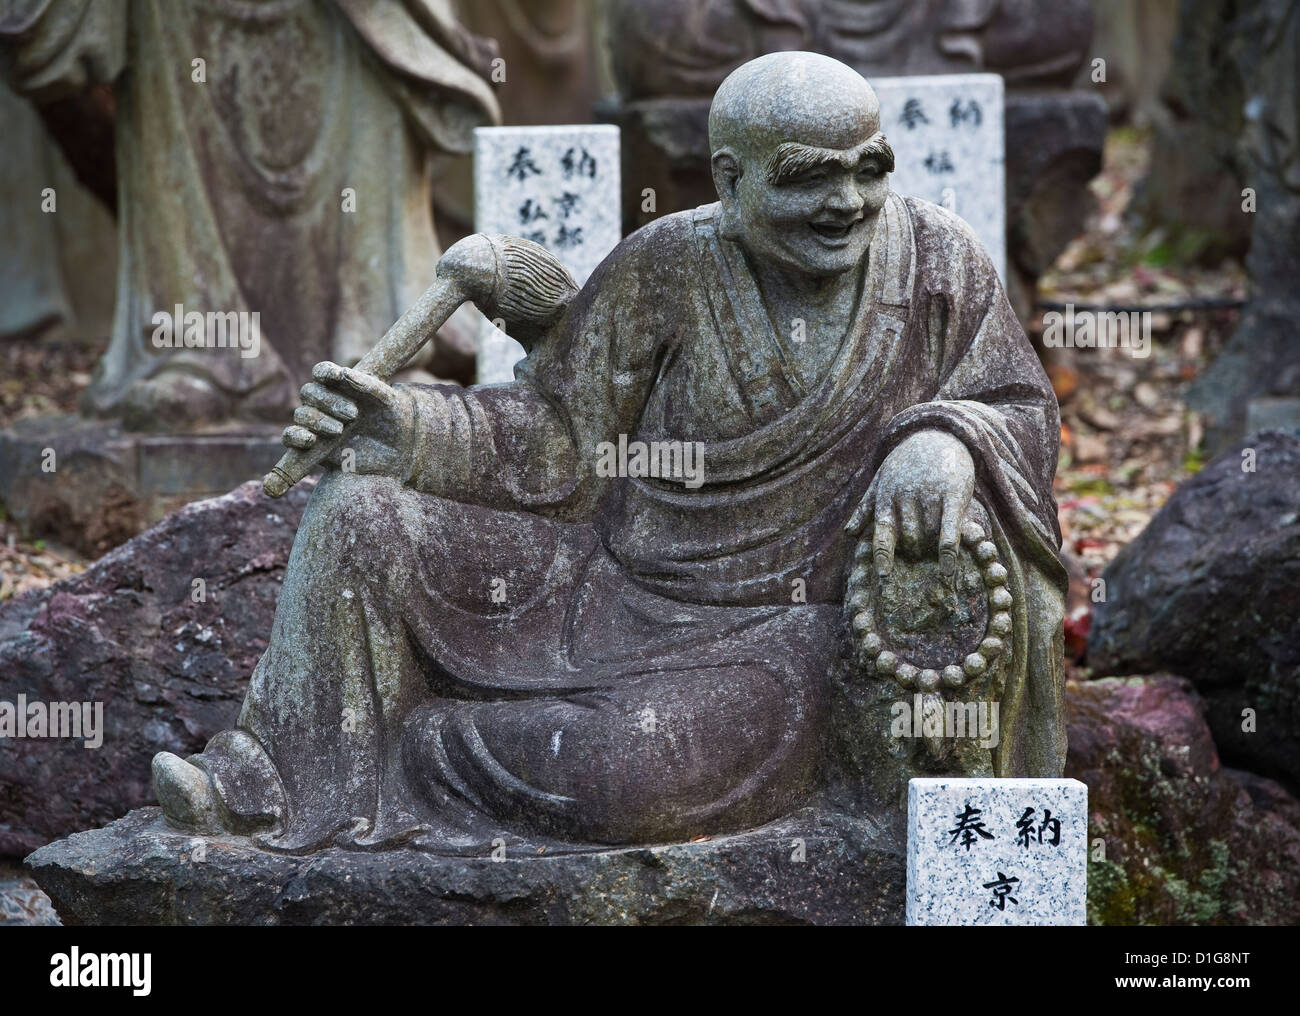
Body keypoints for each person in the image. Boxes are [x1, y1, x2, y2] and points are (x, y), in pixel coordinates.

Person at [153, 51, 1067, 854]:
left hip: (778, 635)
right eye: (805, 180)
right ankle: (285, 779)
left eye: (869, 171)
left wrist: (947, 435)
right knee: (359, 514)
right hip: (606, 585)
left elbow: (1019, 406)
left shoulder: (941, 266)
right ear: (730, 179)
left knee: (622, 772)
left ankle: (417, 750)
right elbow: (558, 440)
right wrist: (412, 429)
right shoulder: (665, 267)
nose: (846, 204)